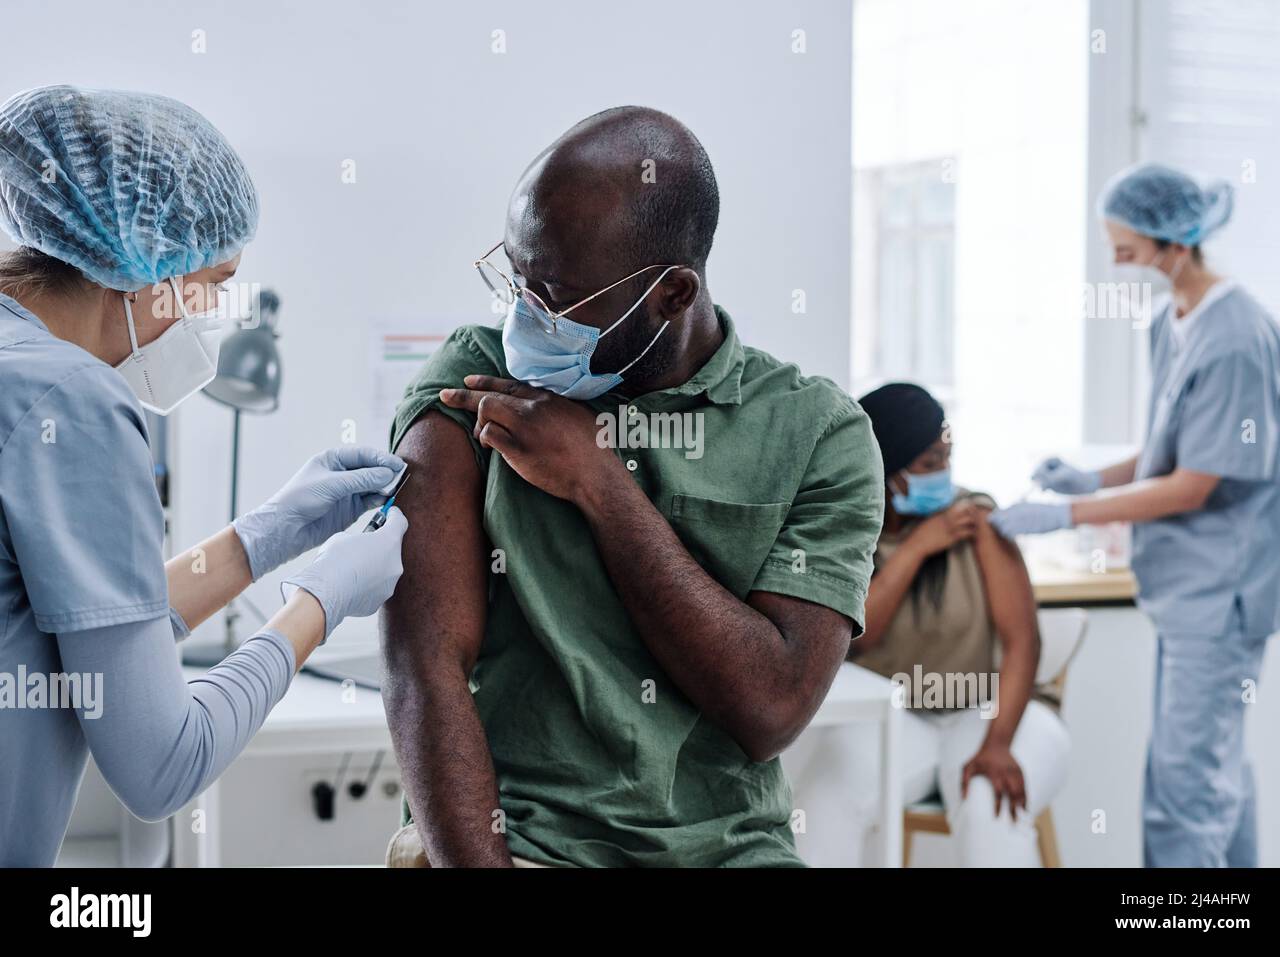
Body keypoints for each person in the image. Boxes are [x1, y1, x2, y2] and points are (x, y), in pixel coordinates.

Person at [380, 106, 884, 868]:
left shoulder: (817, 434)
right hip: (521, 847)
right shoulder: (473, 381)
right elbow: (423, 665)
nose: (524, 315)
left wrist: (600, 485)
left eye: (554, 293)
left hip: (731, 852)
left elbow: (771, 707)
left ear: (673, 294)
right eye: (516, 278)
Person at [0, 86, 408, 866]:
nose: (214, 314)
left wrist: (265, 536)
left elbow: (88, 636)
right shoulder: (73, 399)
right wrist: (319, 602)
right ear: (142, 266)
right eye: (216, 285)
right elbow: (162, 764)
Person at [990, 163, 1280, 867]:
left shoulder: (1237, 340)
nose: (1116, 263)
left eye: (1126, 249)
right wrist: (1092, 477)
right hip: (1186, 590)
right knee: (1215, 773)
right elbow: (1171, 450)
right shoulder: (1172, 322)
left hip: (1223, 593)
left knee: (1186, 787)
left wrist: (1069, 512)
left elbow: (1194, 485)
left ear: (1175, 243)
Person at [783, 383, 1069, 867]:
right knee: (825, 802)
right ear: (885, 468)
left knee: (989, 805)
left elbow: (1024, 642)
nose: (943, 474)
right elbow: (859, 636)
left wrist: (998, 745)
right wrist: (916, 549)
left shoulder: (977, 520)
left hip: (993, 710)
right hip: (900, 718)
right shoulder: (846, 529)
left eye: (946, 458)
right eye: (928, 462)